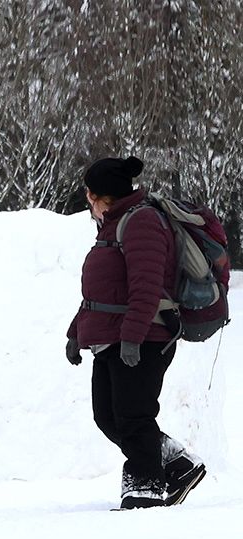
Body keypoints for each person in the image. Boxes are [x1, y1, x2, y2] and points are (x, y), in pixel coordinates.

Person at [66, 156, 206, 510]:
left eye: (89, 192)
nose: (86, 199)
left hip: (145, 337)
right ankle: (178, 463)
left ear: (103, 195)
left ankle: (144, 492)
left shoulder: (142, 222)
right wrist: (75, 333)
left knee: (133, 417)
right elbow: (102, 290)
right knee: (108, 417)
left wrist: (133, 337)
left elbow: (145, 288)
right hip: (113, 339)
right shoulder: (113, 225)